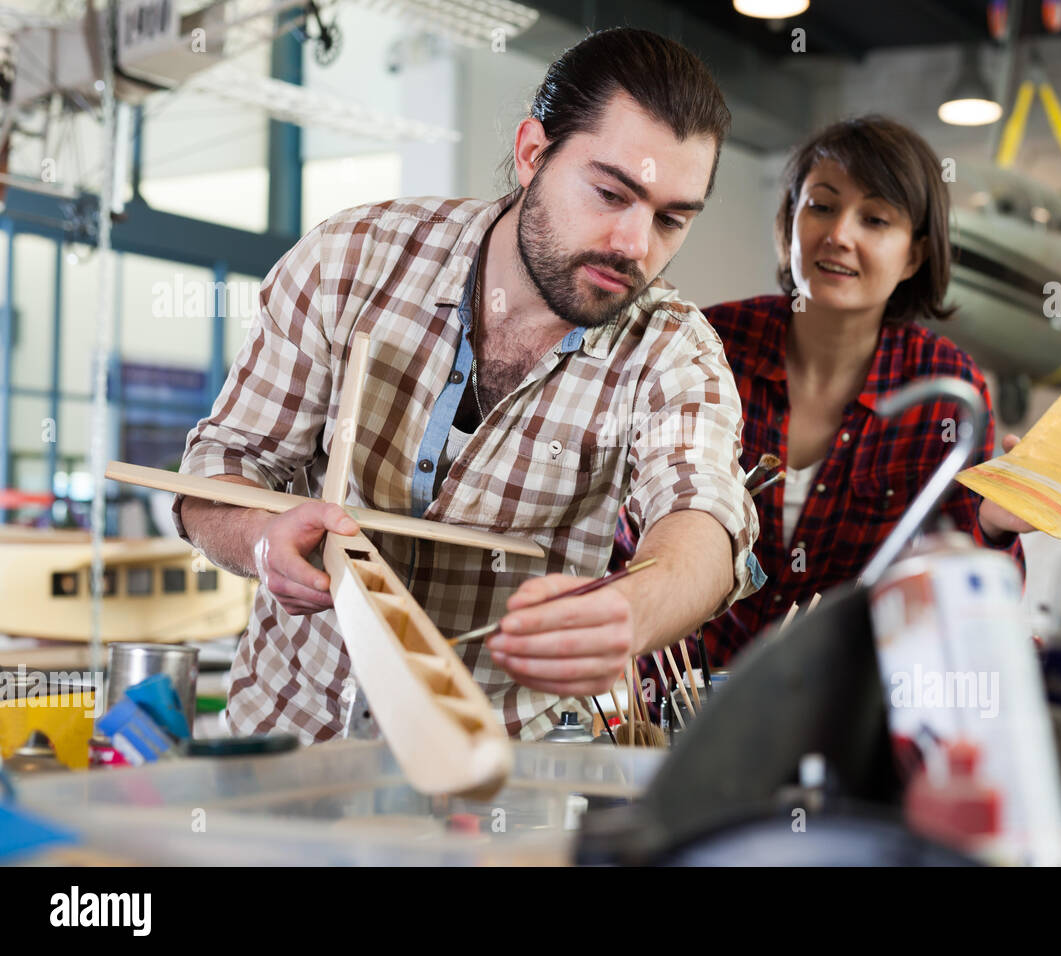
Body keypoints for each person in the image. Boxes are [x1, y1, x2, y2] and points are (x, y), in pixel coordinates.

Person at [173, 28, 763, 741]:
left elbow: (705, 520)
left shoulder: (671, 347)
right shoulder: (349, 261)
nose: (636, 246)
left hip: (496, 783)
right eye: (611, 193)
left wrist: (633, 608)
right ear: (531, 154)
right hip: (284, 742)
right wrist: (261, 536)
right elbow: (219, 468)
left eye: (672, 219)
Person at [625, 115, 1039, 668]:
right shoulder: (708, 343)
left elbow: (967, 601)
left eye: (875, 218)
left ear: (913, 256)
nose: (840, 234)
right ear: (789, 220)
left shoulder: (946, 388)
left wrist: (992, 524)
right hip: (676, 701)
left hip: (842, 710)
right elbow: (629, 525)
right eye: (821, 205)